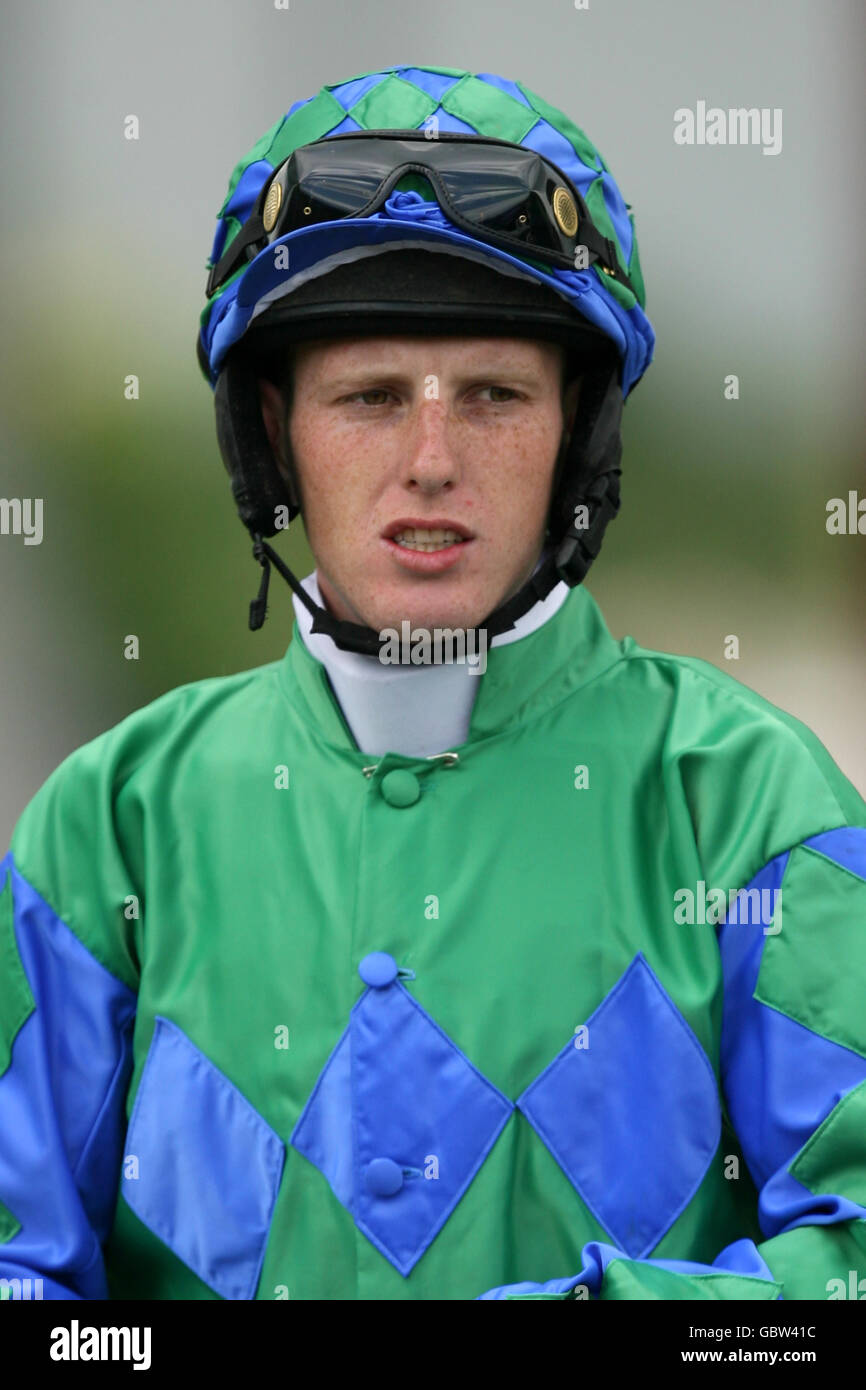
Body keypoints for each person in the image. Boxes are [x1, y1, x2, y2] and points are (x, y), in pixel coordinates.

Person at [1, 64, 864, 1303]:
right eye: (366, 398)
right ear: (272, 429)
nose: (430, 461)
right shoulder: (108, 827)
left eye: (494, 398)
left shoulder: (751, 806)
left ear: (576, 430)